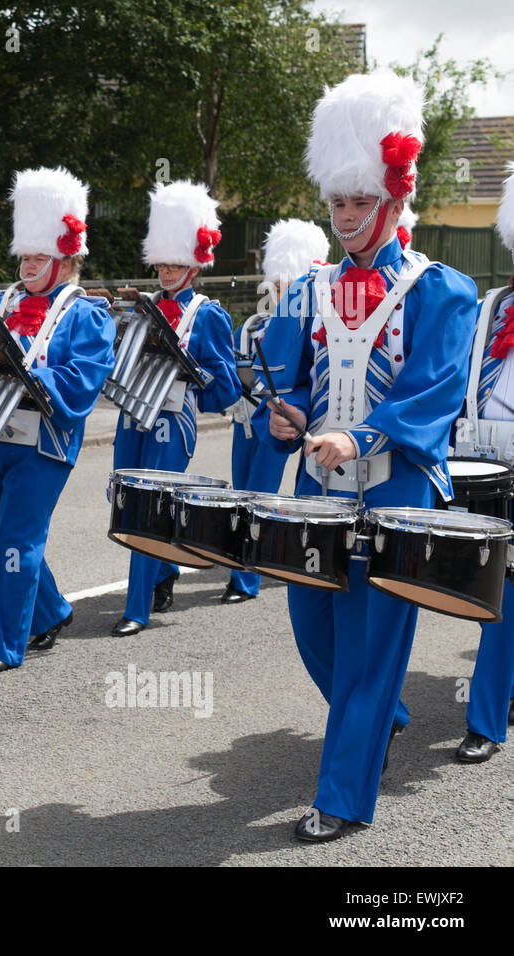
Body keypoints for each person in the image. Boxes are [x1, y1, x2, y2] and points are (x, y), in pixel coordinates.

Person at [252, 73, 478, 842]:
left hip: (397, 489)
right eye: (338, 204)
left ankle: (343, 797)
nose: (347, 218)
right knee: (311, 621)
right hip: (318, 490)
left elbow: (433, 392)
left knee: (373, 640)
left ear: (393, 199)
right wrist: (281, 420)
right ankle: (380, 714)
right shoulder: (307, 290)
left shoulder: (439, 289)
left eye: (361, 203)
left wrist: (361, 435)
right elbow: (285, 384)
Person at [0, 167, 115, 674]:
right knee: (1, 536)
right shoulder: (4, 302)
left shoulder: (87, 313)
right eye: (26, 256)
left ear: (66, 259)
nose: (28, 266)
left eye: (39, 258)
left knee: (17, 539)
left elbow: (83, 383)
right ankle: (51, 609)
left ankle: (4, 645)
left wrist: (27, 373)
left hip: (44, 442)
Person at [110, 181, 242, 636]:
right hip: (133, 415)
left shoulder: (207, 314)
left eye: (176, 263)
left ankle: (136, 609)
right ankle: (165, 572)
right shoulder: (142, 309)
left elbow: (224, 387)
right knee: (126, 502)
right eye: (163, 263)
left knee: (148, 504)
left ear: (194, 264)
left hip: (172, 417)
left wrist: (189, 376)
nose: (167, 271)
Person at [220, 219, 327, 603]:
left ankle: (245, 579)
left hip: (276, 423)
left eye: (287, 285)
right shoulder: (251, 325)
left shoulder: (307, 328)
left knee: (260, 498)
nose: (279, 291)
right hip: (244, 421)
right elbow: (233, 363)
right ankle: (241, 567)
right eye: (276, 284)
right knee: (239, 497)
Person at [450, 162, 514, 764]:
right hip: (481, 467)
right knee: (481, 588)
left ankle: (486, 720)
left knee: (508, 594)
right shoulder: (489, 303)